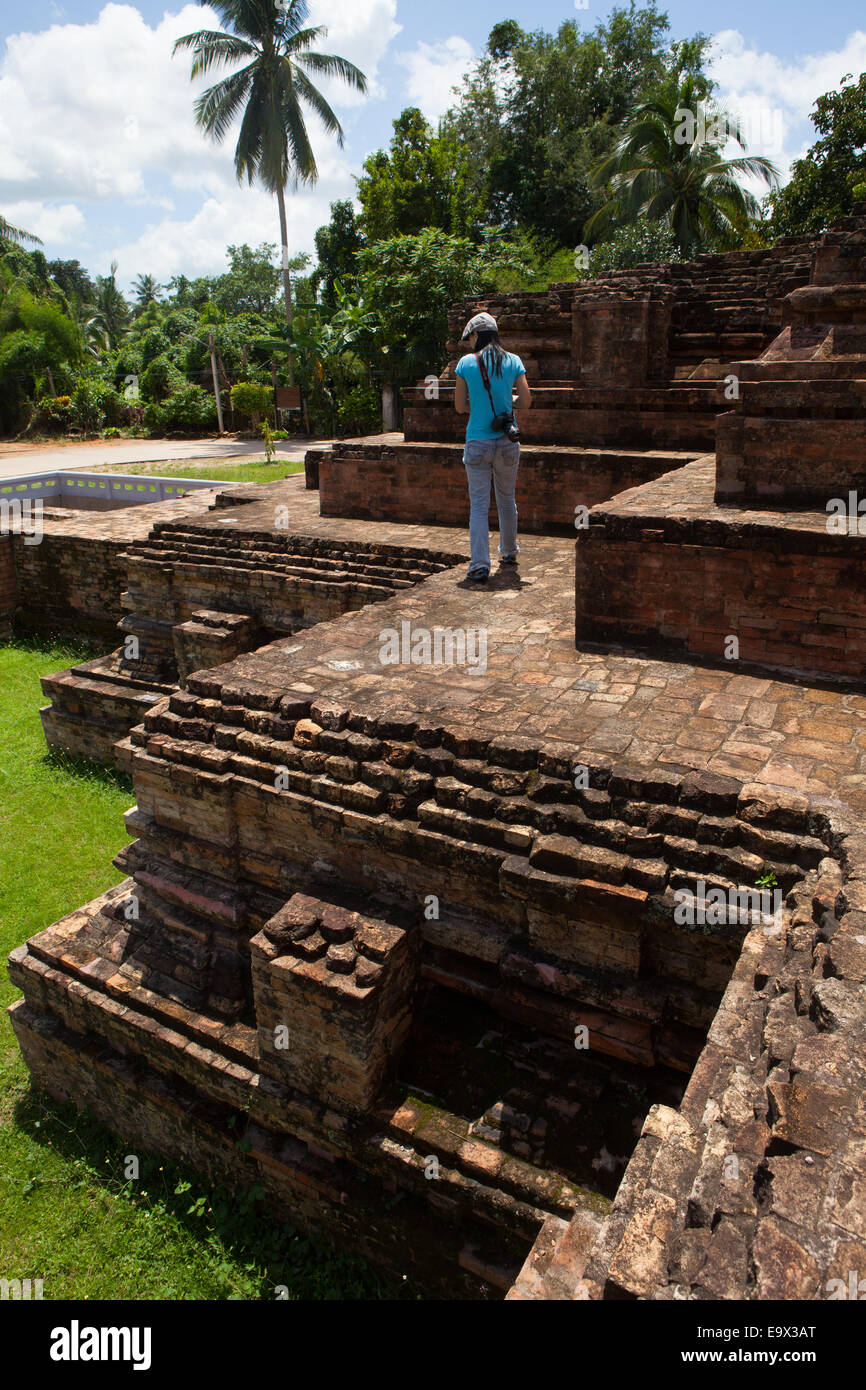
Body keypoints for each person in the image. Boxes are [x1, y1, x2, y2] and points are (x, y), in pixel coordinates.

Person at [454, 311, 532, 581]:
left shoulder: (466, 363)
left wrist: (478, 404)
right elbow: (526, 401)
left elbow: (459, 406)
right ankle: (509, 552)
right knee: (506, 499)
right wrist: (505, 402)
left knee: (478, 505)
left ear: (476, 335)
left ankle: (479, 565)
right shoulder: (513, 360)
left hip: (477, 441)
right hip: (507, 442)